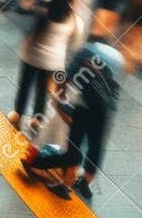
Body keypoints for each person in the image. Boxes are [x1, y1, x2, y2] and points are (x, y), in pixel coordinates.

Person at [21, 41, 123, 201]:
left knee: (88, 150)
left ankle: (75, 179)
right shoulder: (88, 77)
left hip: (89, 110)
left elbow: (64, 85)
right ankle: (45, 169)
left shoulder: (95, 76)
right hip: (82, 110)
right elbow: (62, 90)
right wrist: (62, 107)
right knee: (75, 153)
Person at [10, 0, 84, 134]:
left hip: (31, 57)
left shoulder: (42, 11)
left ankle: (17, 116)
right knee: (42, 91)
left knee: (24, 87)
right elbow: (75, 43)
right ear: (70, 2)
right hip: (52, 62)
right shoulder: (75, 20)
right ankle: (36, 121)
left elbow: (28, 32)